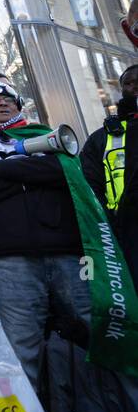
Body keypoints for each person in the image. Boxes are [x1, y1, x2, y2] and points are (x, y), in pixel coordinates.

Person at [0, 79, 93, 387]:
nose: (3, 103)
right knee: (20, 349)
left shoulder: (43, 135)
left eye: (10, 99)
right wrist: (34, 177)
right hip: (11, 261)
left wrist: (5, 168)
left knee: (95, 333)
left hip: (69, 255)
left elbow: (67, 173)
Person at [82, 64, 138, 272]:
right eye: (128, 83)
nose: (134, 87)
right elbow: (90, 187)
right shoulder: (101, 138)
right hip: (128, 229)